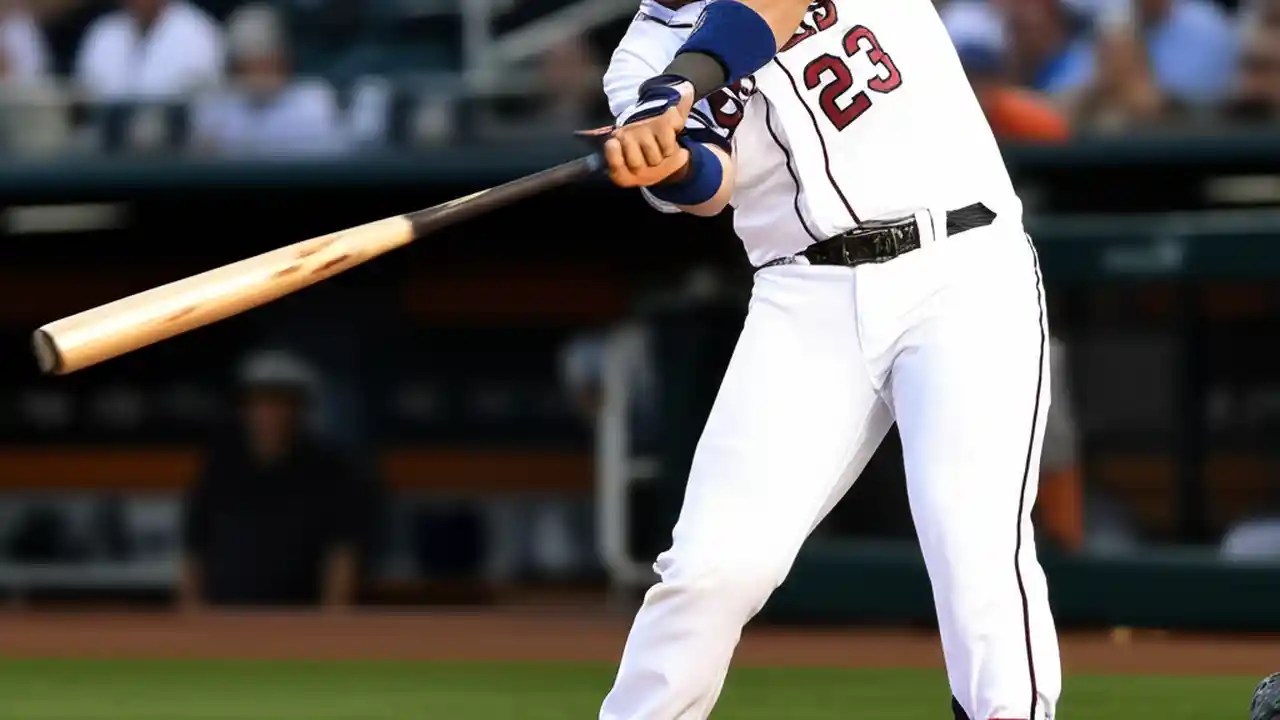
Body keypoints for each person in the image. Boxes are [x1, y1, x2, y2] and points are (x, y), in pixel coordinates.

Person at [594, 1, 1061, 718]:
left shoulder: (671, 63)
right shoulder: (639, 56)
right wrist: (667, 157)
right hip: (804, 296)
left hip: (961, 265)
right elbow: (707, 187)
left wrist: (679, 87)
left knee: (976, 552)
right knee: (712, 567)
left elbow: (758, 13)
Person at [180, 350, 380, 609]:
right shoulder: (219, 467)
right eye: (261, 401)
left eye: (281, 402)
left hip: (301, 619)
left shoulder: (331, 471)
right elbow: (195, 549)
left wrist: (333, 622)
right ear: (245, 408)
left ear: (300, 407)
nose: (271, 413)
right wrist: (191, 613)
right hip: (226, 616)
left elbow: (342, 551)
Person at [190, 2, 348, 157]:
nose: (259, 75)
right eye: (248, 66)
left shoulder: (315, 103)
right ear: (235, 68)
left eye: (266, 64)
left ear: (283, 61)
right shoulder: (216, 111)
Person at [74, 0, 224, 100]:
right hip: (108, 138)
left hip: (177, 139)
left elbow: (199, 98)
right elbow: (86, 93)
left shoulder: (197, 31)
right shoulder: (103, 31)